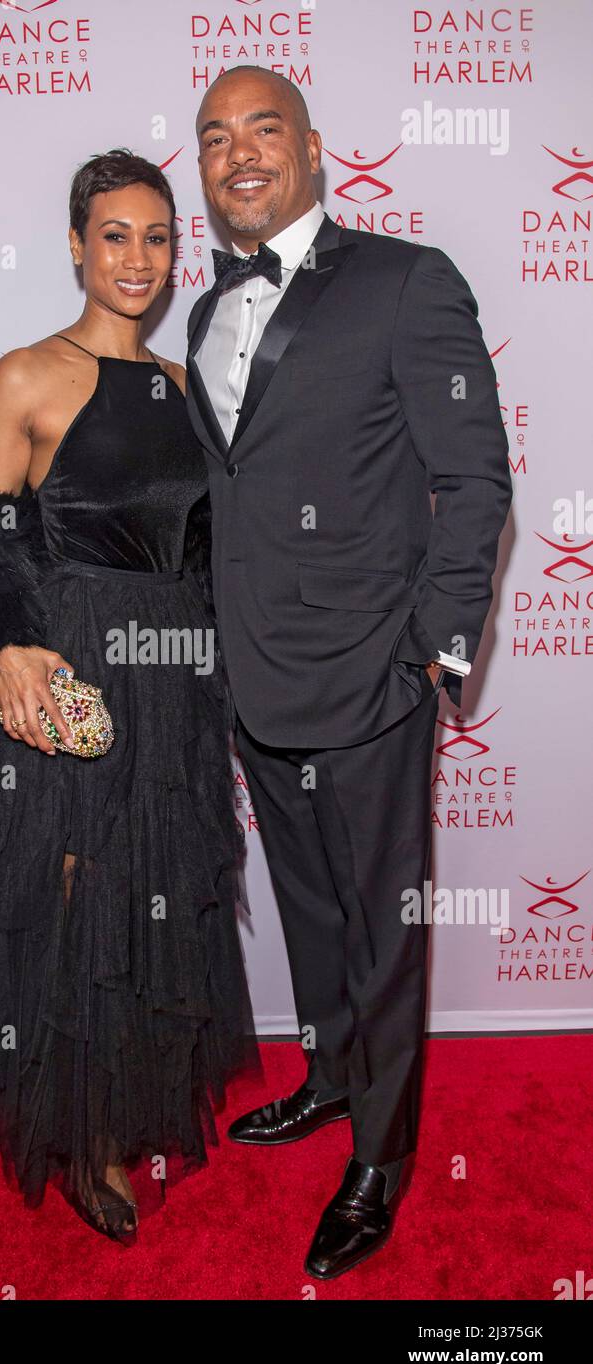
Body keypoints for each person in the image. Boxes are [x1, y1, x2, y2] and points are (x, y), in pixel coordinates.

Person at [186, 66, 512, 1279]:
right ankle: (331, 1078)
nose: (238, 155)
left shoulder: (402, 280)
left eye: (261, 129)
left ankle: (379, 1156)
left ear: (313, 151)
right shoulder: (204, 309)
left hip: (369, 677)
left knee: (381, 925)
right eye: (214, 139)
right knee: (312, 908)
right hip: (254, 676)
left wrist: (433, 651)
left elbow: (473, 477)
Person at [0, 149, 260, 1243]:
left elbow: (207, 549)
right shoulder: (25, 374)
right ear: (75, 245)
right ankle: (80, 1129)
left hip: (173, 673)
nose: (136, 258)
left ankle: (138, 1098)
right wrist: (7, 648)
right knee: (73, 891)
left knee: (155, 883)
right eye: (113, 234)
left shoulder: (180, 387)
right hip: (68, 666)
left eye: (156, 238)